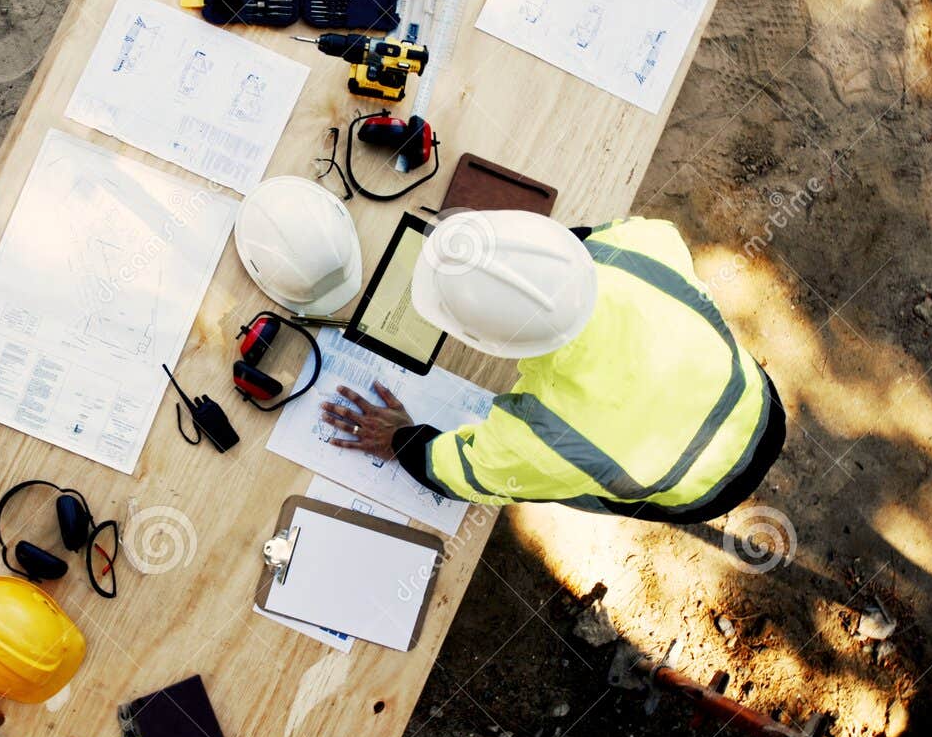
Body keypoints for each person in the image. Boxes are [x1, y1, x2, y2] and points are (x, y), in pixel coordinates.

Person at [319, 211, 783, 524]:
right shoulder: (644, 243)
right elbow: (580, 243)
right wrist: (502, 252)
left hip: (704, 486)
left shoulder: (540, 437)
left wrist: (400, 438)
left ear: (487, 344)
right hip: (756, 400)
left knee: (564, 482)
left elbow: (459, 472)